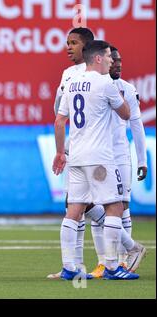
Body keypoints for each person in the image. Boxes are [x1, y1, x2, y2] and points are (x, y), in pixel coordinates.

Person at [53, 40, 141, 280]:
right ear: (98, 58)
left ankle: (70, 267)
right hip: (100, 157)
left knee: (74, 210)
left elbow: (59, 121)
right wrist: (118, 98)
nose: (113, 61)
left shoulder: (70, 83)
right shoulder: (105, 83)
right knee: (114, 207)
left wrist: (60, 152)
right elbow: (126, 114)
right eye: (109, 57)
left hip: (77, 156)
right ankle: (112, 266)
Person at [47, 27, 103, 279]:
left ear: (87, 47)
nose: (68, 47)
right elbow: (59, 110)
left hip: (97, 147)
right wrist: (62, 149)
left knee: (102, 206)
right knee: (76, 206)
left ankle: (115, 257)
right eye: (67, 43)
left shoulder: (98, 72)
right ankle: (75, 266)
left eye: (74, 43)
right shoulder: (67, 73)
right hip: (76, 147)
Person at [86, 46, 148, 274]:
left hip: (119, 156)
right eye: (114, 59)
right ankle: (103, 261)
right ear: (103, 60)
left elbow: (136, 125)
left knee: (121, 206)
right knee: (95, 206)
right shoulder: (93, 86)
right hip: (97, 155)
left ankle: (123, 260)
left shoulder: (128, 90)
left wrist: (142, 160)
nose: (118, 64)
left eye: (120, 60)